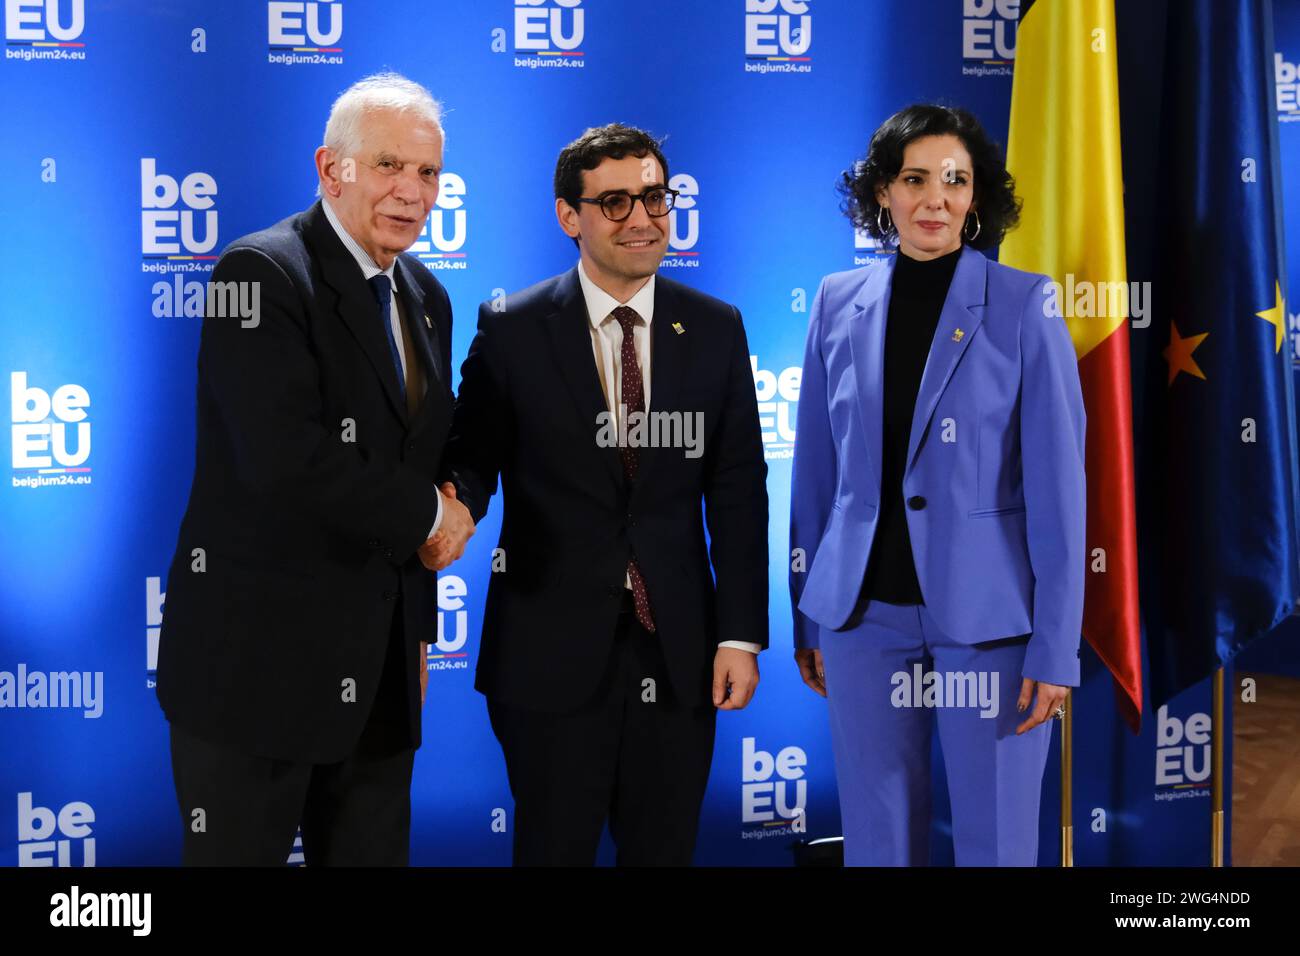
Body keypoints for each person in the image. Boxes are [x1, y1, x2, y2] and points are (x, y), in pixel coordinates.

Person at [155, 73, 475, 866]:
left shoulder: (427, 295)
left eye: (428, 173)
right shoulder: (259, 272)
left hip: (379, 681)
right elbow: (284, 459)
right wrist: (432, 519)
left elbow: (429, 446)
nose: (412, 192)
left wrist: (455, 508)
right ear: (333, 169)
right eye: (390, 166)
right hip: (254, 675)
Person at [444, 123, 769, 866]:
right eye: (615, 202)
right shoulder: (513, 327)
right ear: (571, 217)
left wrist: (739, 634)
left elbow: (738, 488)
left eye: (654, 197)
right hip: (546, 652)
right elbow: (474, 454)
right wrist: (453, 505)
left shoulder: (716, 328)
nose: (643, 218)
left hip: (679, 651)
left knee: (663, 852)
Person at [789, 104, 1086, 866]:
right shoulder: (834, 301)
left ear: (977, 197)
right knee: (878, 843)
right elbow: (817, 474)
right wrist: (808, 617)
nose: (935, 199)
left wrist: (1055, 647)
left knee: (994, 842)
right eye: (914, 179)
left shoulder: (1025, 304)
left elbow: (1059, 489)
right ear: (882, 193)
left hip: (991, 626)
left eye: (955, 180)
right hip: (859, 616)